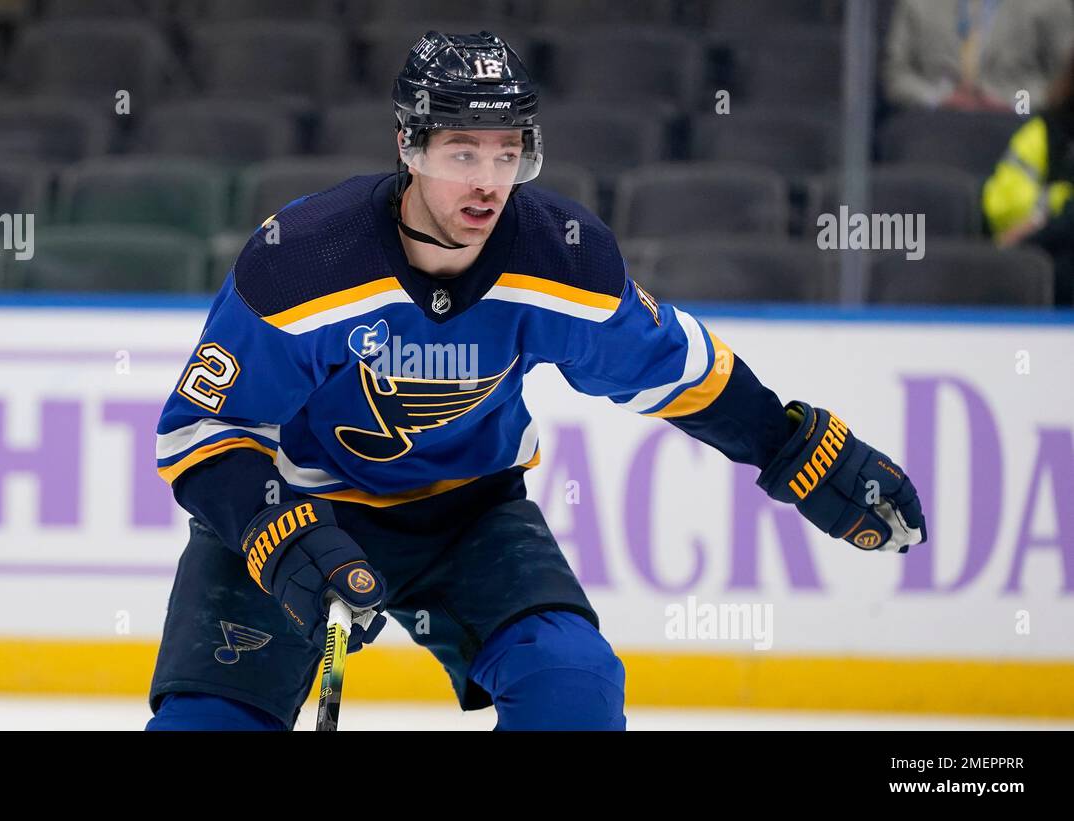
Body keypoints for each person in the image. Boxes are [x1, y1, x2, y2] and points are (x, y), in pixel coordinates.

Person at [145, 31, 927, 731]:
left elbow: (676, 370)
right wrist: (275, 528)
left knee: (574, 688)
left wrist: (791, 447)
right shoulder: (302, 260)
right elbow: (198, 433)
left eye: (507, 151)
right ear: (408, 147)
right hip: (303, 508)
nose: (489, 182)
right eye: (462, 153)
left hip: (469, 517)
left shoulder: (561, 258)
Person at [983, 45, 1074, 305]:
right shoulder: (1046, 130)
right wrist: (1054, 209)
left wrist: (1049, 212)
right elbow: (1002, 203)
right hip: (1055, 271)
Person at [884, 0, 1073, 112]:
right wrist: (938, 99)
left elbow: (1064, 83)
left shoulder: (1048, 5)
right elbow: (894, 75)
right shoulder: (917, 5)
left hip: (1017, 120)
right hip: (933, 123)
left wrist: (1014, 103)